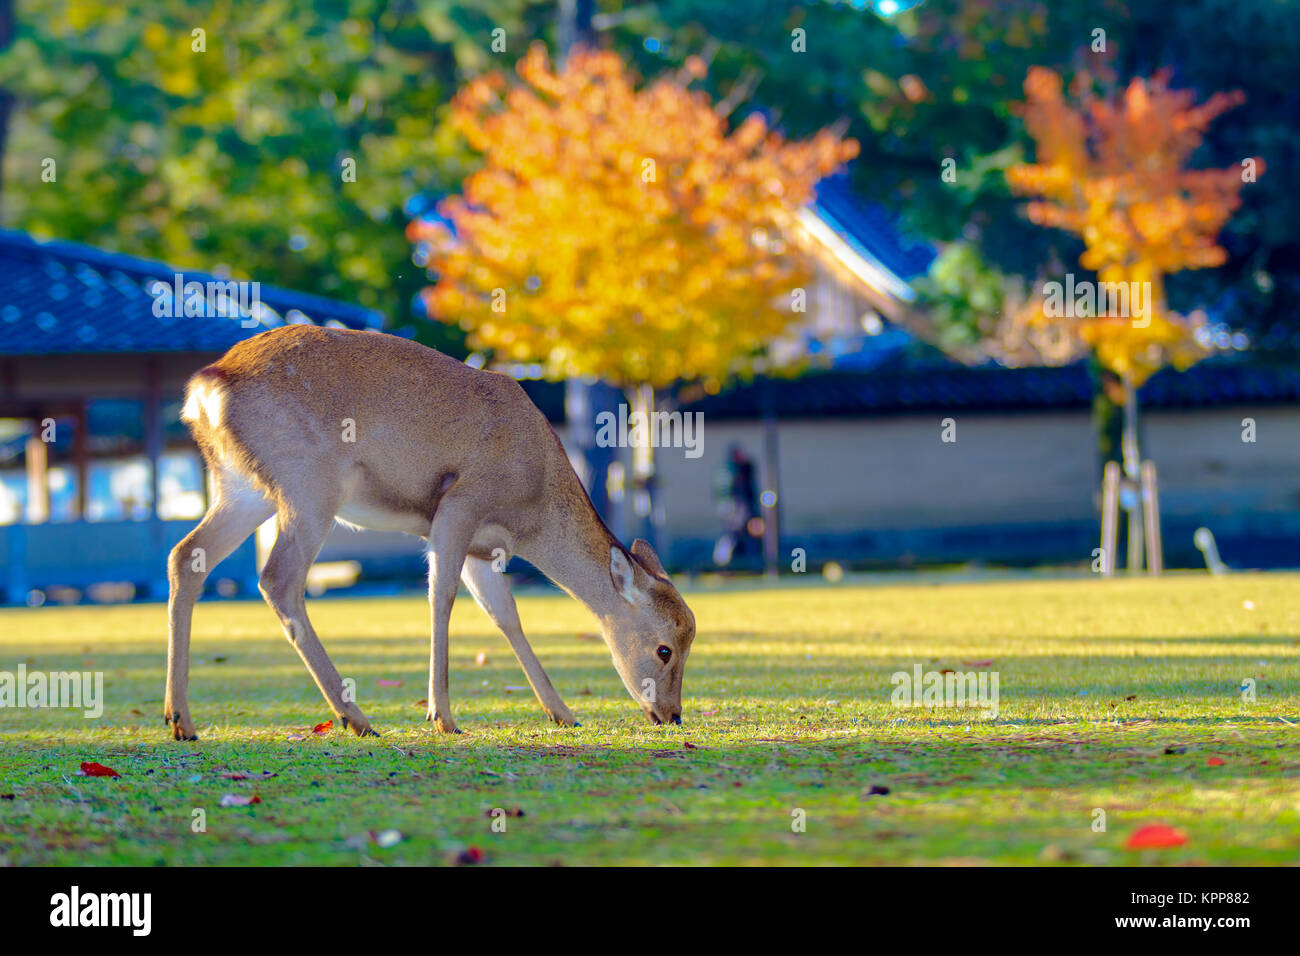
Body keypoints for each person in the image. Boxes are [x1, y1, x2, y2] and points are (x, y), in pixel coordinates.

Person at [713, 443, 761, 567]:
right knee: (733, 534)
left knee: (736, 534)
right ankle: (722, 561)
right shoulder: (733, 471)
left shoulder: (726, 470)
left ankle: (729, 560)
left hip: (729, 507)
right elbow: (737, 491)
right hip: (734, 507)